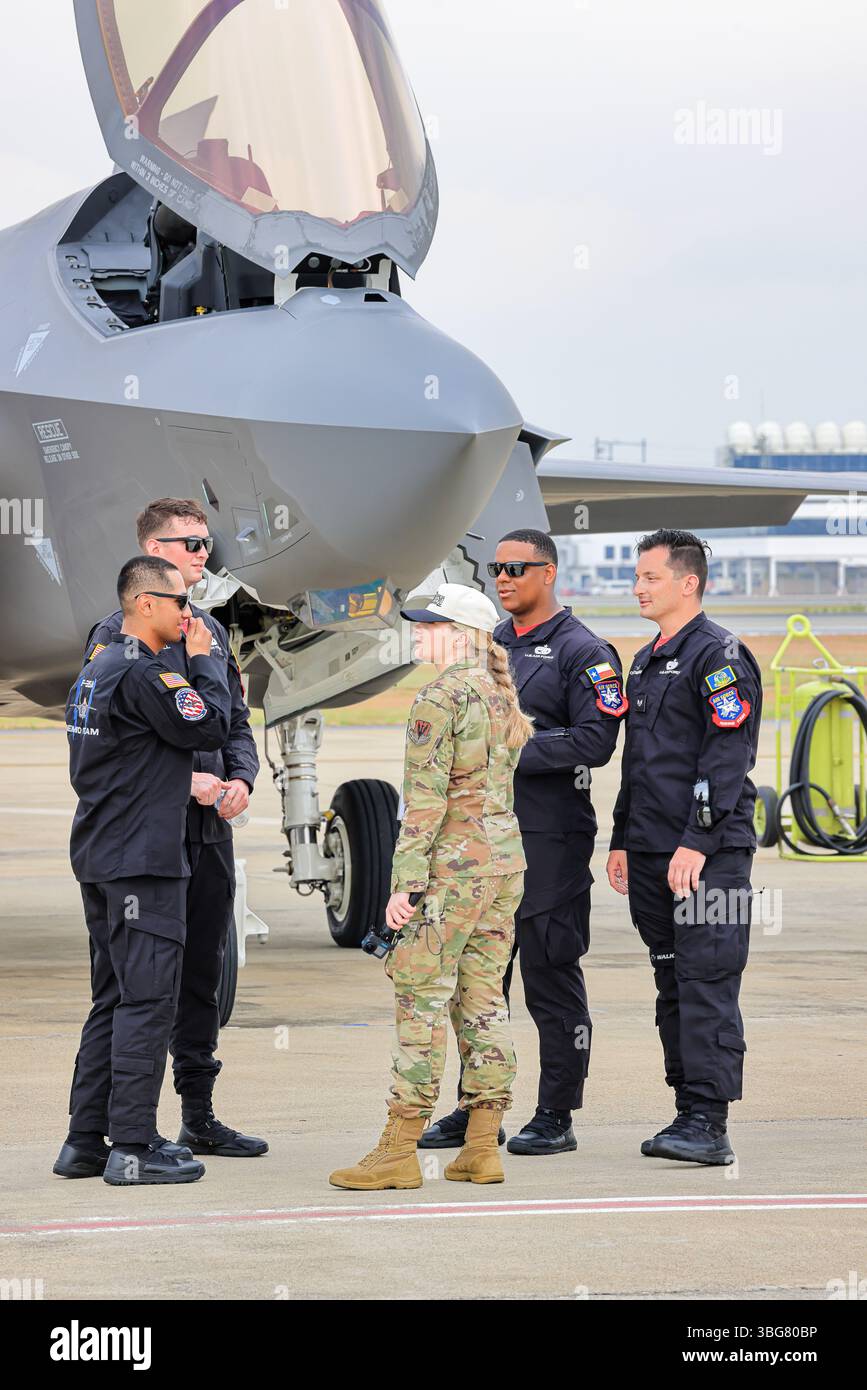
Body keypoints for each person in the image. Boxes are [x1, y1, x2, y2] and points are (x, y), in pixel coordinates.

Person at [420, 530, 626, 1156]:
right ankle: (476, 1108)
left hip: (549, 843)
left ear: (550, 572)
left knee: (549, 976)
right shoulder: (493, 648)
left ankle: (556, 1112)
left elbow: (595, 741)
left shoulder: (584, 652)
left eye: (516, 567)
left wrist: (507, 748)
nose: (503, 577)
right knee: (478, 982)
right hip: (480, 846)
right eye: (495, 568)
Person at [328, 583, 532, 1191]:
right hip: (502, 867)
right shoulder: (499, 693)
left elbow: (423, 801)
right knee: (483, 999)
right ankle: (480, 1145)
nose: (418, 633)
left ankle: (399, 1149)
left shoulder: (439, 698)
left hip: (450, 873)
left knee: (419, 999)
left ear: (463, 634)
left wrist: (405, 886)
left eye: (430, 624)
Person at [83, 498, 264, 1159]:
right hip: (148, 836)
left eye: (205, 545)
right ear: (152, 551)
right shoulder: (114, 637)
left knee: (201, 974)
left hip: (207, 832)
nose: (202, 557)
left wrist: (240, 779)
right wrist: (183, 782)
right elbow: (112, 739)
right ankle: (122, 1132)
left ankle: (200, 1115)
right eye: (188, 545)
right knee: (135, 986)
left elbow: (234, 719)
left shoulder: (209, 632)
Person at [54, 556, 232, 1185]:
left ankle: (83, 1141)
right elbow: (206, 724)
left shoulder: (96, 670)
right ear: (145, 603)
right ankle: (131, 1145)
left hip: (103, 855)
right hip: (143, 861)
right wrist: (208, 664)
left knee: (111, 997)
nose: (191, 614)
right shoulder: (144, 671)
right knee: (148, 1000)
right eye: (180, 603)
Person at [606, 529, 762, 1166]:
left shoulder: (719, 657)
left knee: (706, 980)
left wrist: (698, 841)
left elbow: (727, 756)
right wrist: (619, 838)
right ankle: (686, 1109)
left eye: (651, 577)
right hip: (649, 850)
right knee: (670, 977)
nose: (638, 587)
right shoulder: (644, 659)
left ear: (688, 582)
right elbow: (638, 761)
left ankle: (710, 1122)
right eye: (638, 578)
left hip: (709, 855)